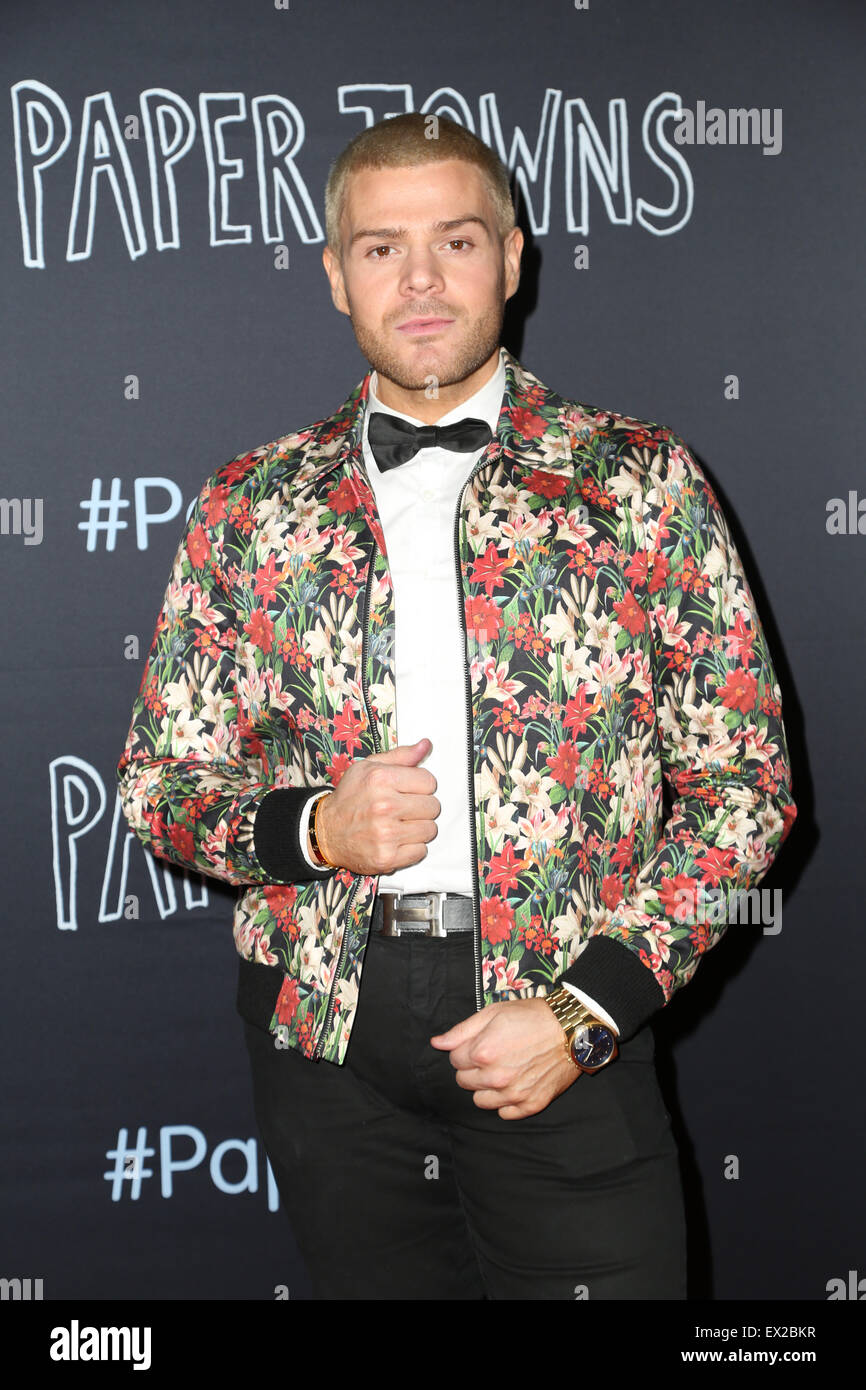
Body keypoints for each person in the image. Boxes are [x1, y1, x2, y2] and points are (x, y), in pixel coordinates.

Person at [116, 112, 797, 1300]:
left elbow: (746, 794)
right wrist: (312, 830)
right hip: (327, 1049)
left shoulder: (637, 479)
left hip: (559, 1032)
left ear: (514, 258)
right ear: (333, 275)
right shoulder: (248, 504)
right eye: (380, 249)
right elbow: (160, 786)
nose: (420, 281)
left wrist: (587, 1009)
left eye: (456, 242)